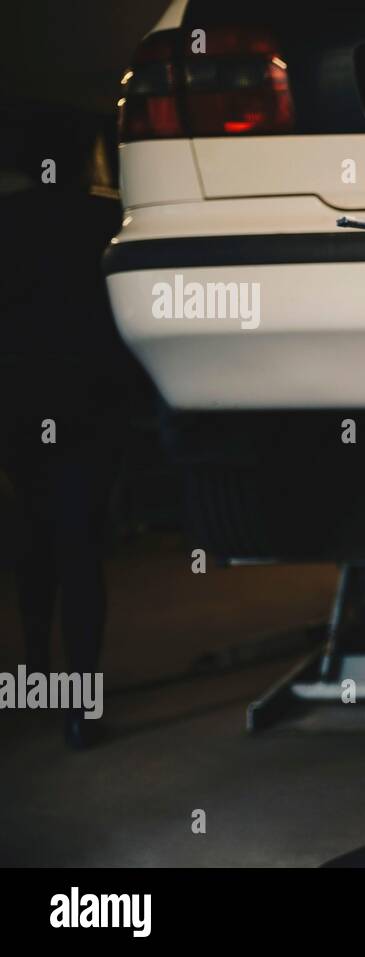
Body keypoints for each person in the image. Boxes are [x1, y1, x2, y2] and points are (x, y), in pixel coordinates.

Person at [0, 110, 136, 749]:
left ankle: (33, 671)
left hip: (21, 405)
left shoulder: (7, 222)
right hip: (90, 405)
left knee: (34, 533)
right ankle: (80, 706)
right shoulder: (108, 222)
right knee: (82, 547)